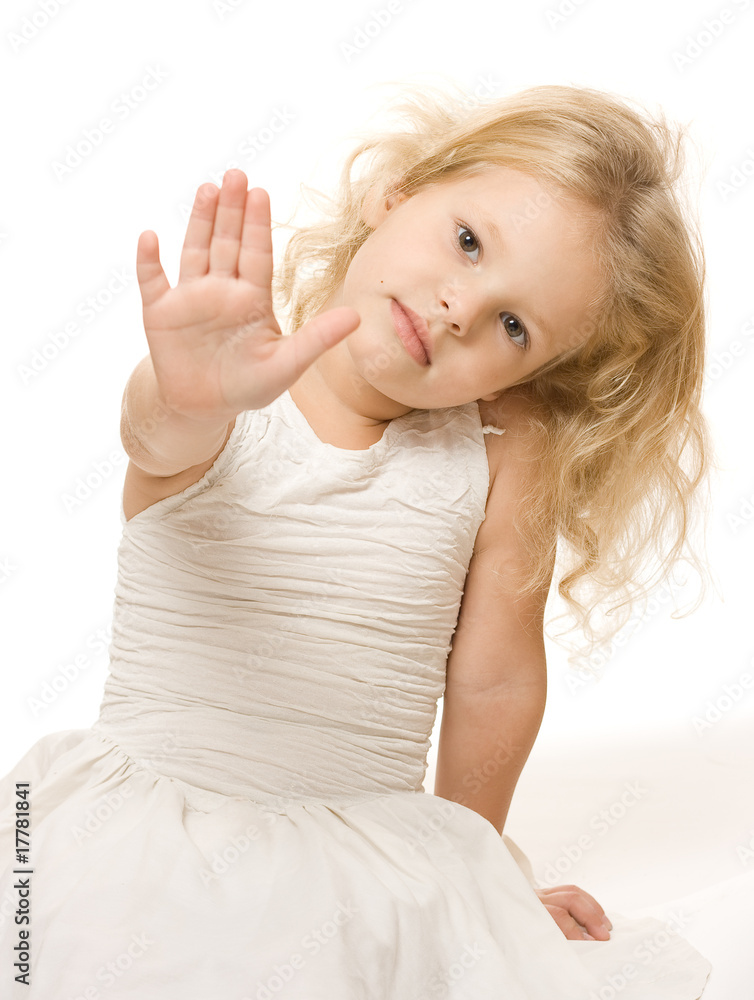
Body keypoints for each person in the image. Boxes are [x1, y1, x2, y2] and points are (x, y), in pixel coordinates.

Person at [0, 83, 712, 998]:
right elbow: (155, 441)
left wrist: (472, 875)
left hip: (349, 862)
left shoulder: (499, 453)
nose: (461, 307)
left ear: (533, 375)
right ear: (400, 191)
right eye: (467, 241)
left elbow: (494, 676)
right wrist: (187, 393)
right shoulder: (224, 400)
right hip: (135, 833)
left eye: (511, 325)